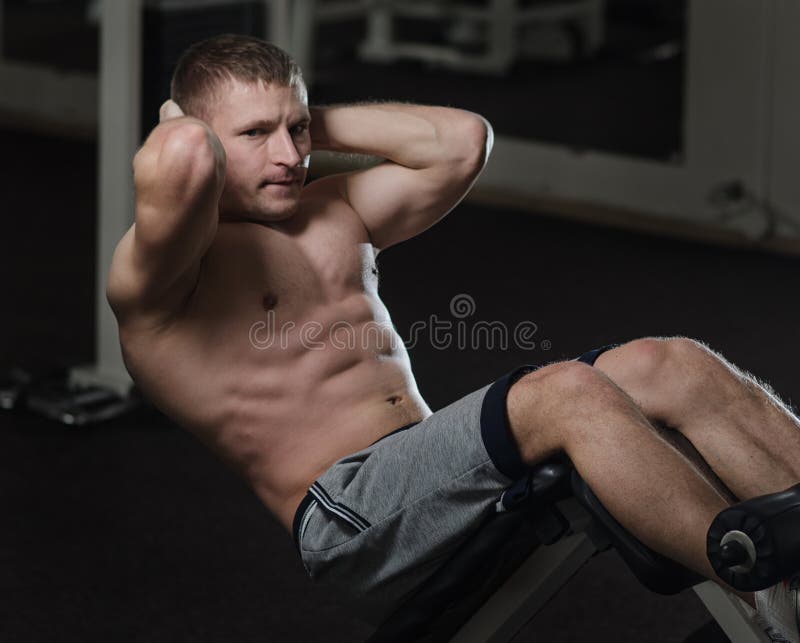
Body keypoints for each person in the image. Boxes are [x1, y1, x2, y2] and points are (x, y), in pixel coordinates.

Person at [106, 33, 800, 638]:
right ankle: (770, 597)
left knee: (669, 361)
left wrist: (297, 113)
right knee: (563, 392)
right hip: (352, 521)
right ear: (199, 133)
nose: (289, 154)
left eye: (298, 129)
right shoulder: (164, 280)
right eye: (256, 134)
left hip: (434, 478)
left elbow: (464, 142)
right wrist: (189, 121)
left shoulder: (333, 210)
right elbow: (185, 157)